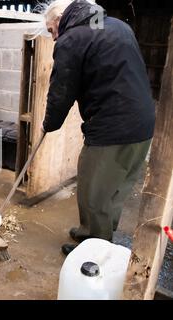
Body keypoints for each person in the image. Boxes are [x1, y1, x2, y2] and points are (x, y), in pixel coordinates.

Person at [41, 0, 156, 255]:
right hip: (144, 124)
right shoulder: (118, 26)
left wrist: (50, 123)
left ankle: (93, 249)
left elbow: (61, 92)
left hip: (113, 128)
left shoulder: (72, 39)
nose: (52, 37)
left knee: (93, 193)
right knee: (115, 189)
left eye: (51, 30)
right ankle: (95, 233)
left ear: (61, 19)